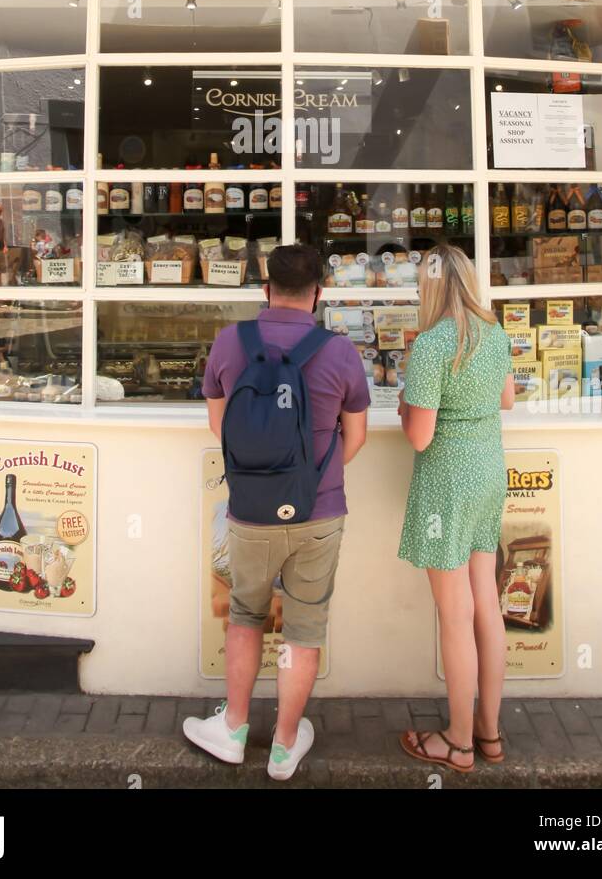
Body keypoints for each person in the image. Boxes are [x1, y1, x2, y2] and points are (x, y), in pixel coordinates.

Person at [182, 243, 368, 780]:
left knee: (245, 615)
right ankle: (286, 745)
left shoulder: (229, 342)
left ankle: (234, 728)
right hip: (319, 510)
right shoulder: (339, 352)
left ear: (265, 289)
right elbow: (354, 438)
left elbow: (219, 427)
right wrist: (314, 476)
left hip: (251, 510)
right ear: (319, 294)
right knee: (304, 628)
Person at [397, 242, 515, 774]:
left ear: (431, 285)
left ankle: (459, 743)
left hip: (447, 484)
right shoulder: (494, 334)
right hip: (490, 471)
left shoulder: (431, 344)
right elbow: (506, 400)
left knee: (455, 614)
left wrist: (404, 402)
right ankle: (490, 734)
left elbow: (420, 438)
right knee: (485, 605)